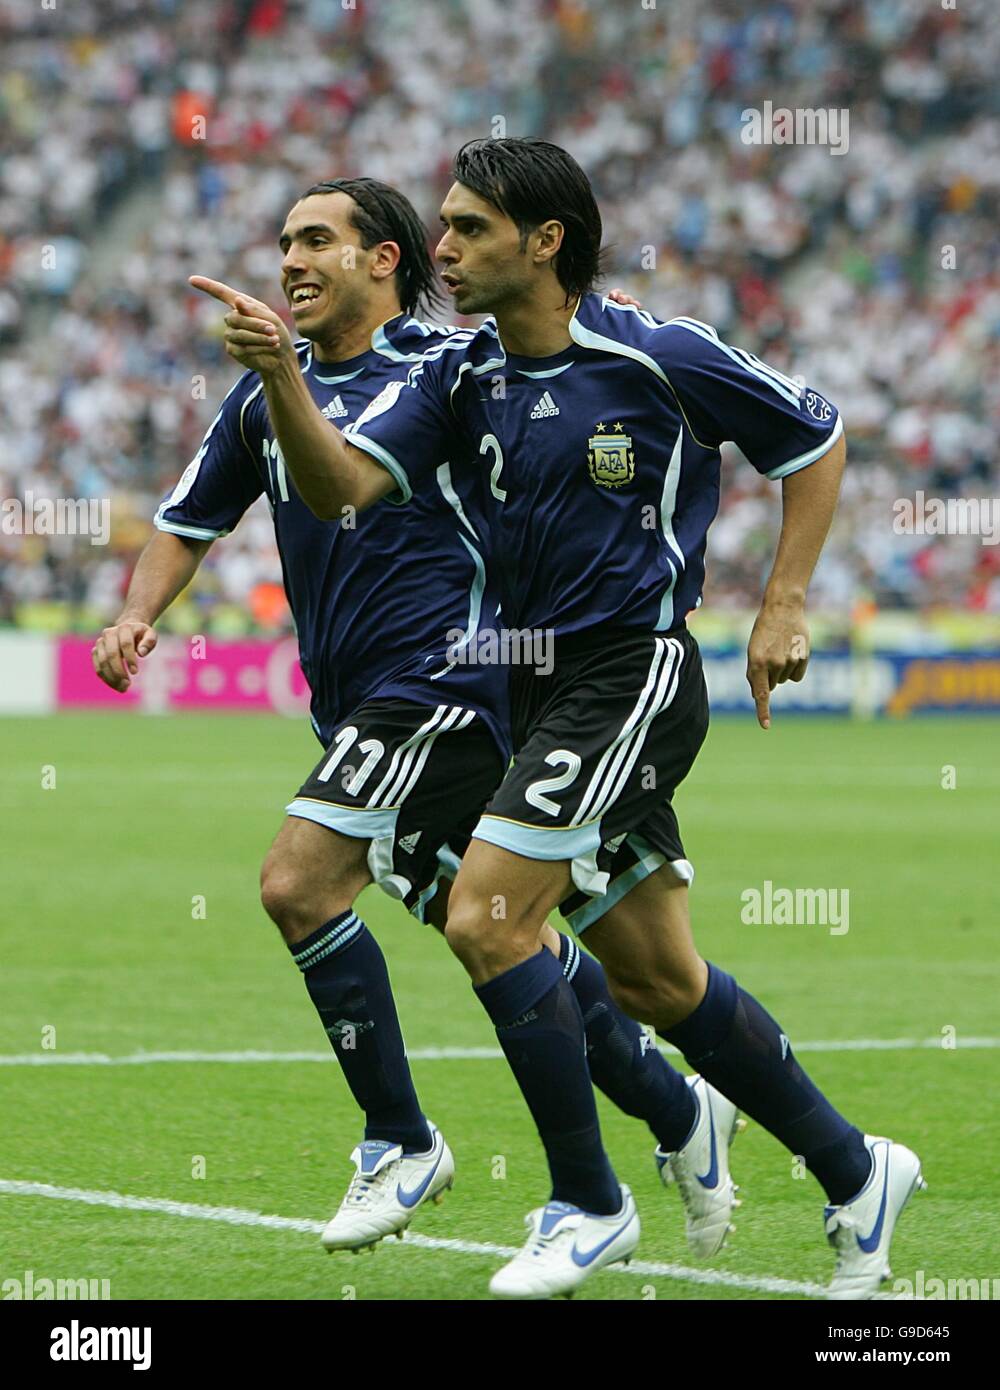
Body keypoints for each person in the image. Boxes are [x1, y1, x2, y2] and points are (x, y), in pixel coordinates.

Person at [219, 137, 926, 1301]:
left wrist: (782, 601)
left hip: (630, 676)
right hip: (527, 690)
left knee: (488, 916)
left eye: (468, 228)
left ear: (545, 241)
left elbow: (813, 435)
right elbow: (341, 486)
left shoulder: (653, 353)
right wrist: (283, 377)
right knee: (654, 977)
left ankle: (586, 1202)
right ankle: (858, 1172)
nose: (440, 249)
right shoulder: (459, 377)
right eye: (440, 224)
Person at [94, 175, 737, 1264]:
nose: (289, 261)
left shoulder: (451, 372)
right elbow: (187, 519)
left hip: (451, 685)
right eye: (282, 242)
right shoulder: (261, 400)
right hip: (360, 707)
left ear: (383, 258)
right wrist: (133, 612)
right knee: (503, 937)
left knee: (297, 882)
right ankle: (677, 1110)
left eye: (314, 240)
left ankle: (405, 1140)